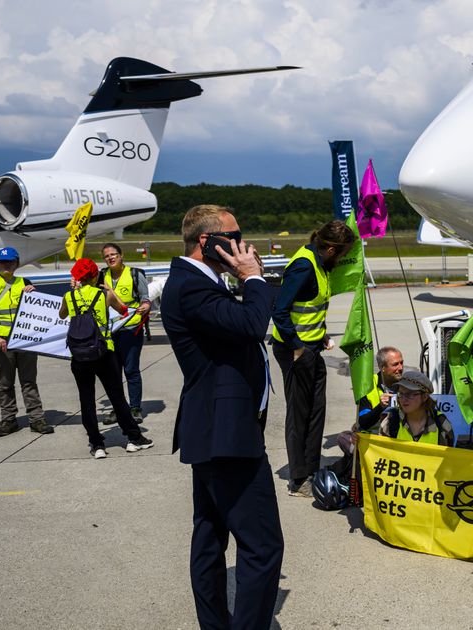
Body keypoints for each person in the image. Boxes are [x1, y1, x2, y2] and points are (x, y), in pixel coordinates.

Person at [162, 204, 283, 629]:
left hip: (216, 429)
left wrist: (241, 280)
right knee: (262, 546)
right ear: (205, 241)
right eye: (232, 236)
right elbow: (251, 325)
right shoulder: (192, 287)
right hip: (225, 435)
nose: (240, 243)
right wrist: (252, 278)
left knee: (211, 537)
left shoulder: (200, 281)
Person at [271, 220, 357, 497]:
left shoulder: (320, 264)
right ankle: (298, 479)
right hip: (295, 351)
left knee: (316, 411)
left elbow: (307, 309)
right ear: (331, 249)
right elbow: (280, 310)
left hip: (311, 348)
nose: (343, 259)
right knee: (299, 415)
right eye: (342, 254)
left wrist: (320, 336)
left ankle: (311, 467)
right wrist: (297, 347)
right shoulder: (304, 265)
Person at [58, 258, 154, 459]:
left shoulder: (69, 296)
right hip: (104, 352)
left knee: (87, 400)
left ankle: (97, 443)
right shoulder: (104, 294)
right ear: (95, 275)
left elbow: (62, 314)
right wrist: (110, 290)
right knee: (117, 397)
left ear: (77, 277)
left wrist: (74, 291)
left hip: (79, 355)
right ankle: (133, 438)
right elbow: (123, 310)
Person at [0, 246, 52, 437]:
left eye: (10, 262)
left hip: (25, 340)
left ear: (16, 263)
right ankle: (8, 420)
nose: (6, 265)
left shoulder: (24, 282)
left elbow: (37, 312)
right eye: (2, 262)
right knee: (6, 383)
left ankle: (37, 419)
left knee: (29, 382)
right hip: (2, 342)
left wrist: (33, 295)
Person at [100, 243, 152, 424]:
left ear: (121, 256)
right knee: (113, 372)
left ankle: (135, 408)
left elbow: (145, 298)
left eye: (114, 254)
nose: (110, 258)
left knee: (130, 369)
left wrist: (145, 306)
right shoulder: (101, 275)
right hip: (109, 331)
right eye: (107, 256)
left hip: (131, 329)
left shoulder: (135, 274)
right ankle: (118, 409)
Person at [335, 346, 405, 456]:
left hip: (400, 442)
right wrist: (380, 407)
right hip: (374, 441)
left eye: (401, 363)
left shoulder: (408, 385)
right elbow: (363, 422)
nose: (400, 368)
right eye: (395, 364)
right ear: (382, 367)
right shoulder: (368, 386)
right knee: (344, 437)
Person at [358, 369, 454, 446]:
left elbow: (449, 461)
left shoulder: (441, 424)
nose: (403, 399)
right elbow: (381, 455)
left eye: (410, 394)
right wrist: (361, 442)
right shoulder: (390, 422)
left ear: (424, 397)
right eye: (401, 394)